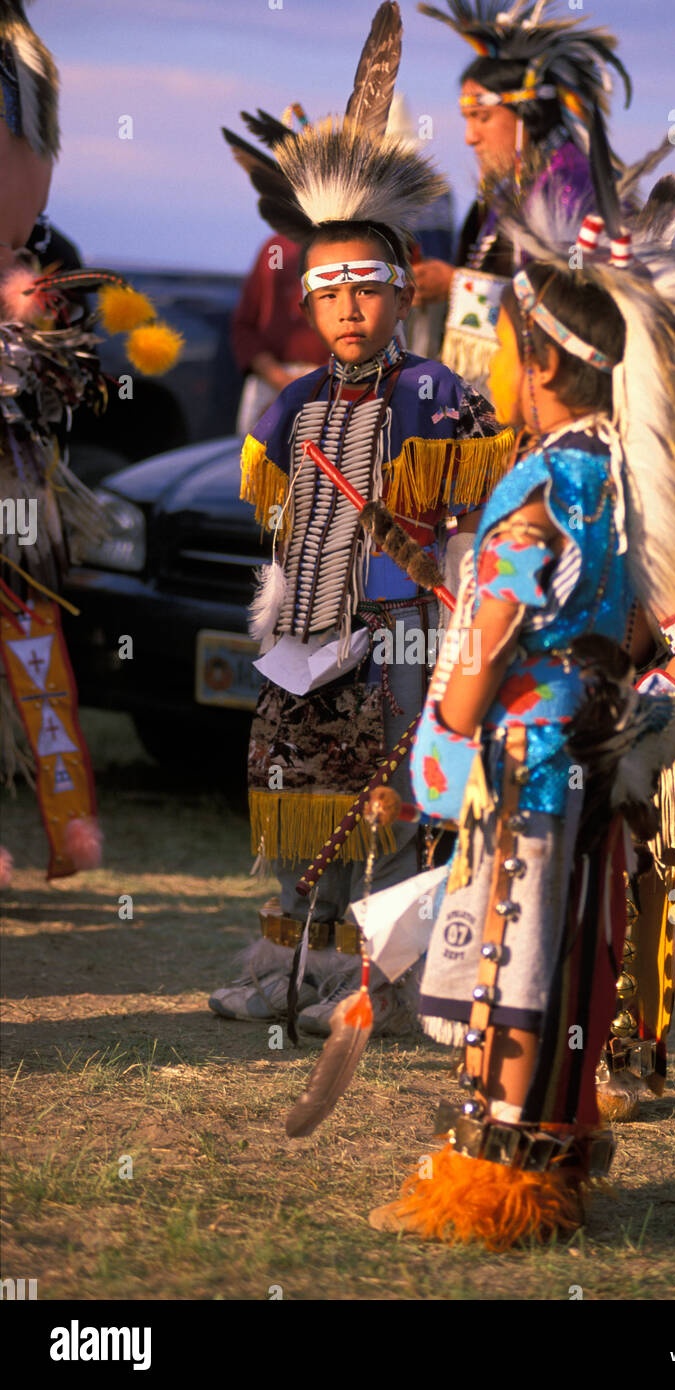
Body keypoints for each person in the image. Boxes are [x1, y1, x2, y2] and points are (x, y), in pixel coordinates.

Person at [364, 159, 675, 1248]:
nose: (500, 366)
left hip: (527, 758)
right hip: (590, 755)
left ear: (544, 361)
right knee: (563, 961)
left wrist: (444, 731)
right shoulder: (627, 479)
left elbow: (498, 619)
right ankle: (553, 1165)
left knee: (515, 959)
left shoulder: (544, 478)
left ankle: (496, 1179)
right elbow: (620, 615)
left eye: (508, 347)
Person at [207, 2, 514, 1035]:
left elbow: (476, 524)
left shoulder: (439, 395)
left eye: (367, 287)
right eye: (326, 288)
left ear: (400, 290)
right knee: (300, 805)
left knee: (389, 811)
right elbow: (279, 518)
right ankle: (287, 966)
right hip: (307, 633)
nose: (346, 307)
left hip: (403, 638)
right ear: (304, 298)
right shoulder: (293, 403)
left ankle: (373, 983)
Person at [0, 1, 181, 881]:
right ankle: (57, 827)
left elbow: (78, 378)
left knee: (29, 643)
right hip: (23, 486)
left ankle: (65, 827)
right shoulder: (48, 247)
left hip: (23, 485)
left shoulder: (54, 253)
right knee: (27, 643)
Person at [412, 0, 629, 393]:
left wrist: (457, 285)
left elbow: (573, 308)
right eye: (466, 120)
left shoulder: (573, 187)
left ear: (529, 112)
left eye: (482, 117)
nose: (470, 137)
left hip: (557, 394)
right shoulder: (508, 193)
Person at [231, 232, 326, 436]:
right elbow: (244, 327)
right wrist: (280, 380)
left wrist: (319, 383)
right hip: (269, 380)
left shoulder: (348, 246)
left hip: (329, 384)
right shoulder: (276, 248)